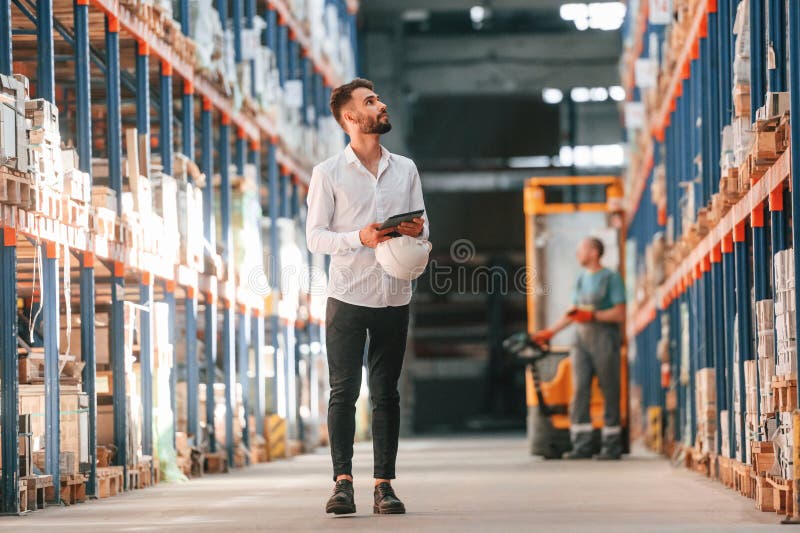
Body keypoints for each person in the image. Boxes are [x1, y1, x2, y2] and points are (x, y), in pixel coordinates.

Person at [306, 78, 429, 515]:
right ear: (350, 118)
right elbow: (315, 238)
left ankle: (384, 485)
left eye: (378, 98)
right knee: (344, 391)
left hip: (394, 295)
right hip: (348, 297)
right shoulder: (328, 173)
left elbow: (424, 225)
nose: (382, 105)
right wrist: (359, 237)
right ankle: (342, 484)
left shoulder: (406, 169)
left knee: (386, 393)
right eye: (371, 102)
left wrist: (416, 230)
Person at [531, 237, 626, 460]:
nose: (577, 254)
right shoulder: (581, 279)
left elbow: (620, 313)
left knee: (609, 390)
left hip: (604, 339)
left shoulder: (610, 278)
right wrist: (549, 332)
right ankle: (581, 445)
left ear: (594, 252)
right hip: (580, 341)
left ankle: (612, 445)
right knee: (579, 390)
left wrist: (593, 315)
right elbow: (573, 313)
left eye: (581, 250)